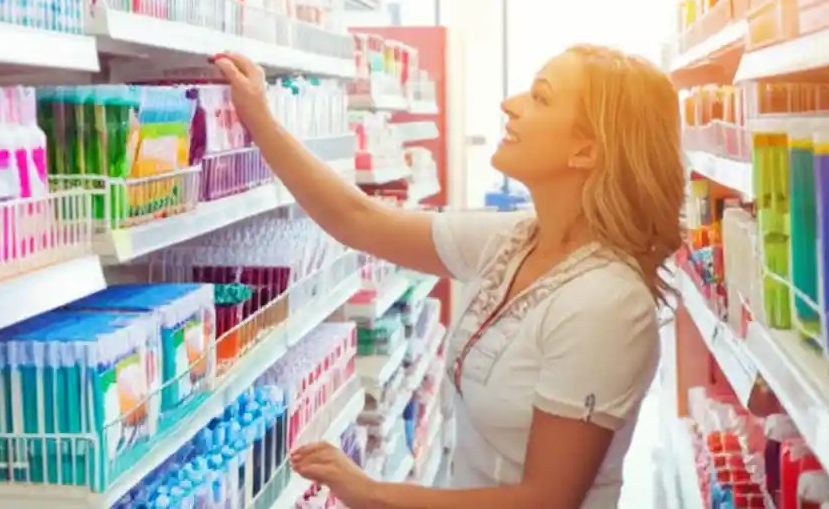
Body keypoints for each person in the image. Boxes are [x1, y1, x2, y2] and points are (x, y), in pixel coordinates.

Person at [212, 44, 685, 509]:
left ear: (586, 150)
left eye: (540, 97)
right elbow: (359, 220)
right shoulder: (516, 240)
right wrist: (260, 118)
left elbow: (547, 501)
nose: (510, 105)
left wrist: (374, 493)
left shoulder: (605, 304)